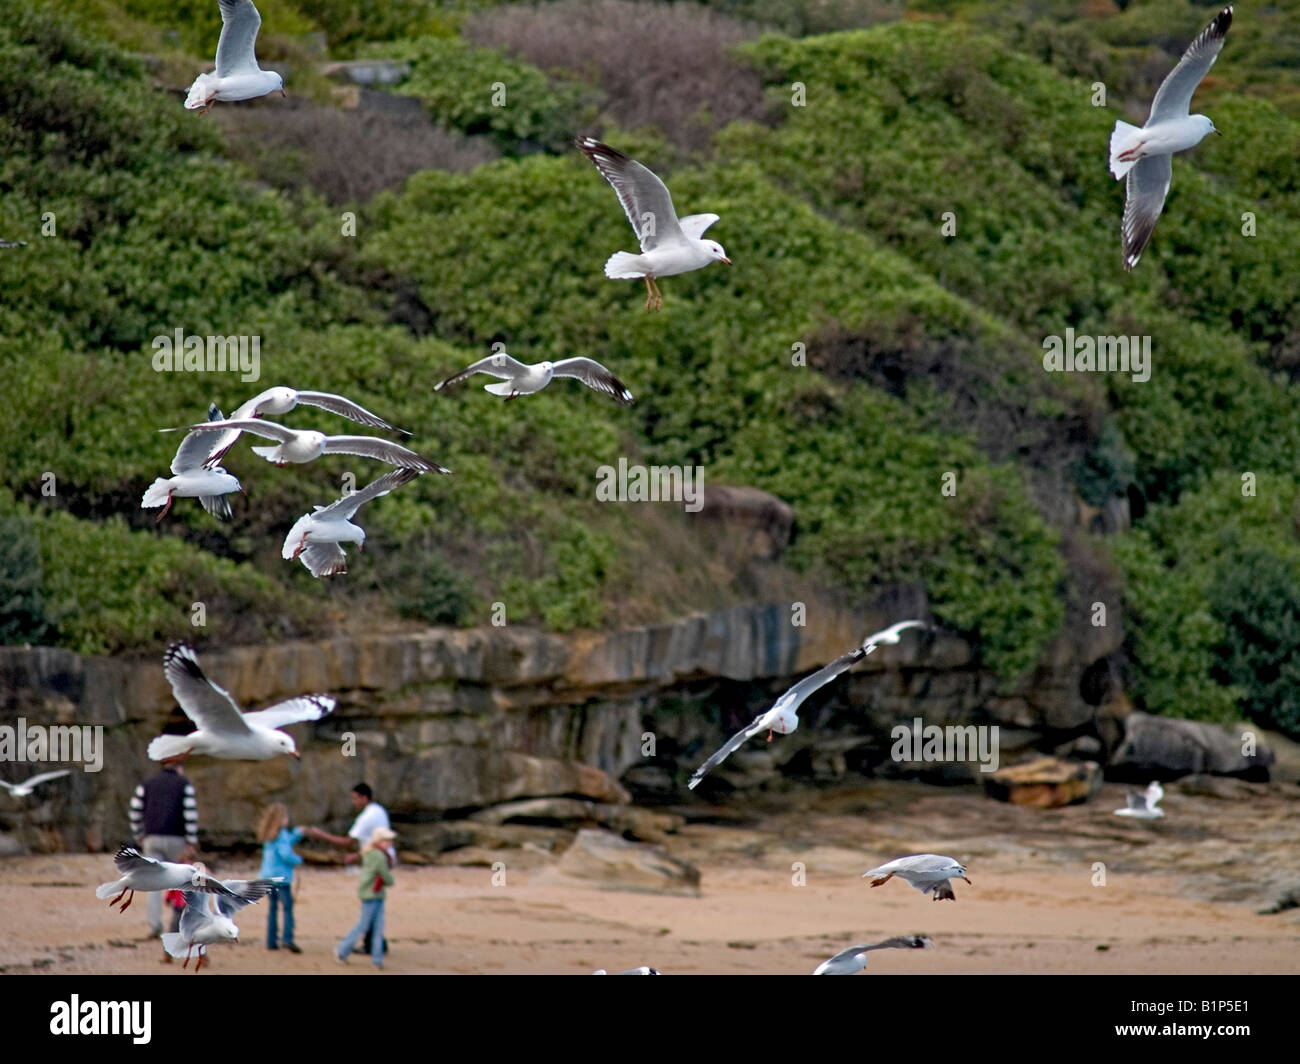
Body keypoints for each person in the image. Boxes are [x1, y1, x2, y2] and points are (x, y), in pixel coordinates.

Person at [306, 783, 392, 955]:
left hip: (374, 863)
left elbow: (347, 842)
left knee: (370, 899)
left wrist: (320, 834)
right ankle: (377, 942)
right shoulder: (379, 810)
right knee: (376, 900)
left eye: (355, 798)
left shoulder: (366, 817)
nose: (353, 802)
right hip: (385, 858)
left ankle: (371, 944)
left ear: (364, 798)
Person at [128, 758, 198, 939]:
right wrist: (191, 840)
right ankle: (180, 925)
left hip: (152, 838)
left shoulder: (147, 784)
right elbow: (190, 813)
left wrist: (139, 836)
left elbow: (135, 810)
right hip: (177, 839)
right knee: (182, 883)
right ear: (179, 767)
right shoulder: (184, 784)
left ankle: (155, 926)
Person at [334, 826, 395, 970]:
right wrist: (391, 881)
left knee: (375, 927)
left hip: (374, 894)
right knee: (366, 926)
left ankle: (377, 959)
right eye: (387, 840)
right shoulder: (379, 856)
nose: (390, 843)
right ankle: (342, 950)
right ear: (379, 841)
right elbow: (385, 874)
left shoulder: (370, 853)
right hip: (372, 895)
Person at [256, 803, 303, 953]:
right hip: (282, 879)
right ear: (280, 819)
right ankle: (287, 939)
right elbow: (286, 854)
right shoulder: (281, 834)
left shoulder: (269, 835)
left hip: (267, 878)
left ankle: (271, 941)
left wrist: (297, 833)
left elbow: (286, 841)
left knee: (273, 908)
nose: (288, 819)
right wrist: (298, 860)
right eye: (286, 816)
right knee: (288, 908)